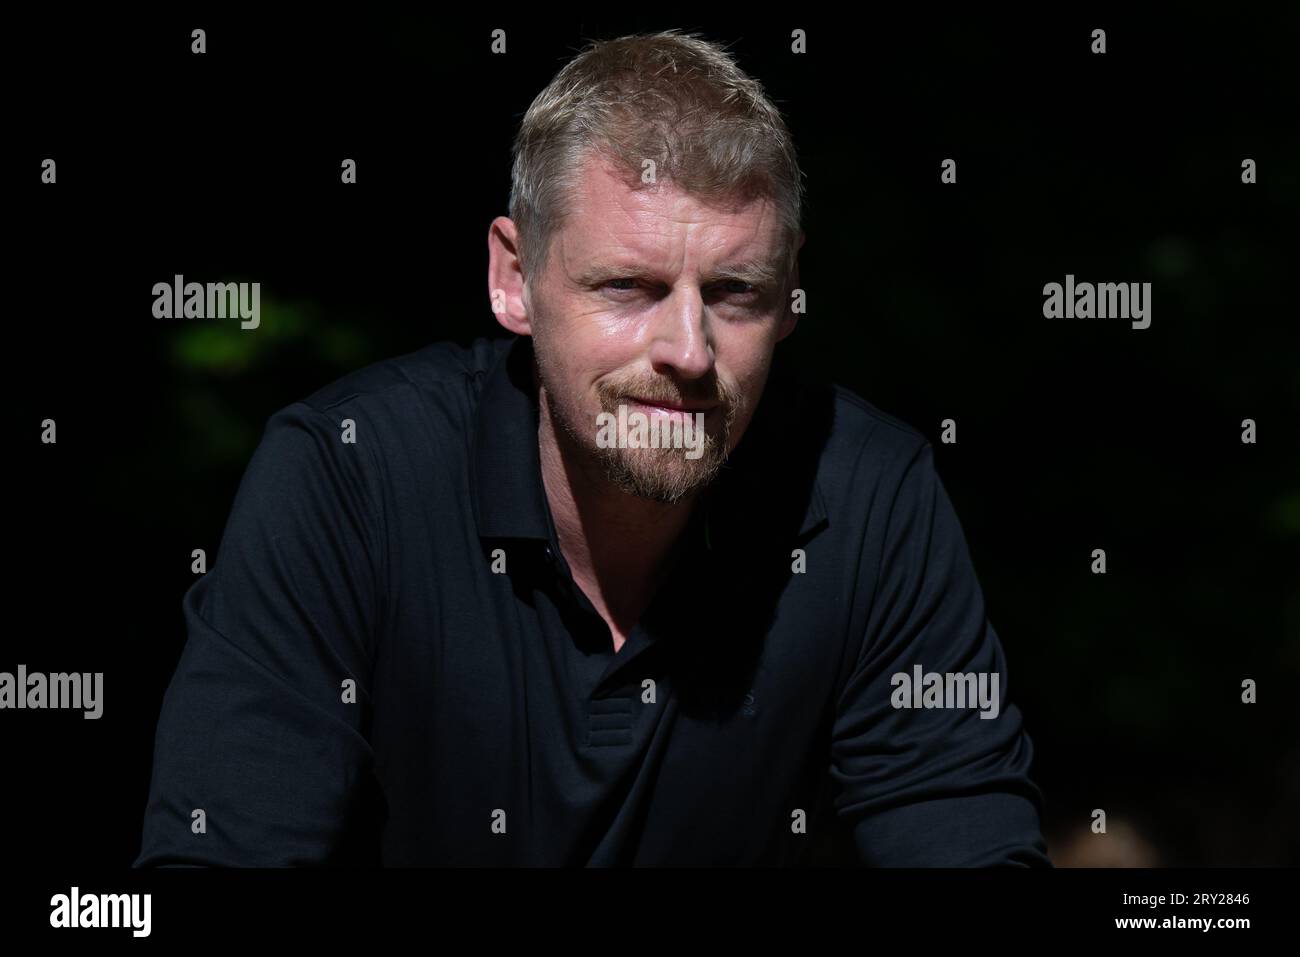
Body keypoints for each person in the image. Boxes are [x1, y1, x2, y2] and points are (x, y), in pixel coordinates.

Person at [135, 29, 1049, 867]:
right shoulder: (349, 476)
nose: (689, 352)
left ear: (790, 294)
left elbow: (966, 840)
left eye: (734, 292)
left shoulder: (869, 496)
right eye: (628, 287)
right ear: (514, 279)